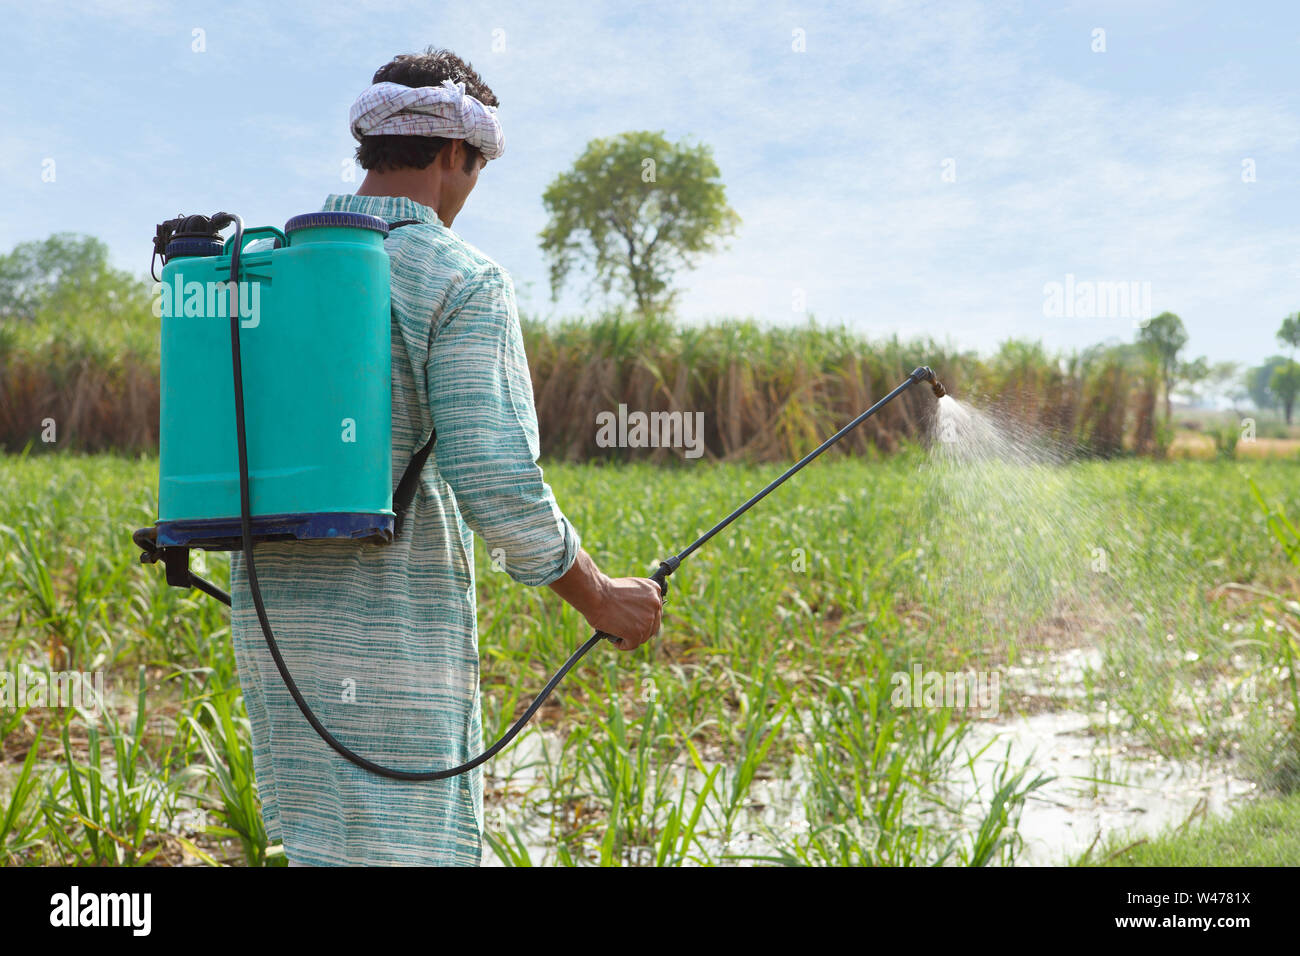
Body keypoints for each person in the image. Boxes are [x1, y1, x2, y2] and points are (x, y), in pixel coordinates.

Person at [229, 46, 664, 866]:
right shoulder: (458, 278)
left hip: (275, 625)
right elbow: (495, 481)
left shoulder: (270, 271)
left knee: (326, 845)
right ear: (456, 152)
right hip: (389, 630)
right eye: (478, 166)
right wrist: (601, 596)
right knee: (407, 849)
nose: (471, 188)